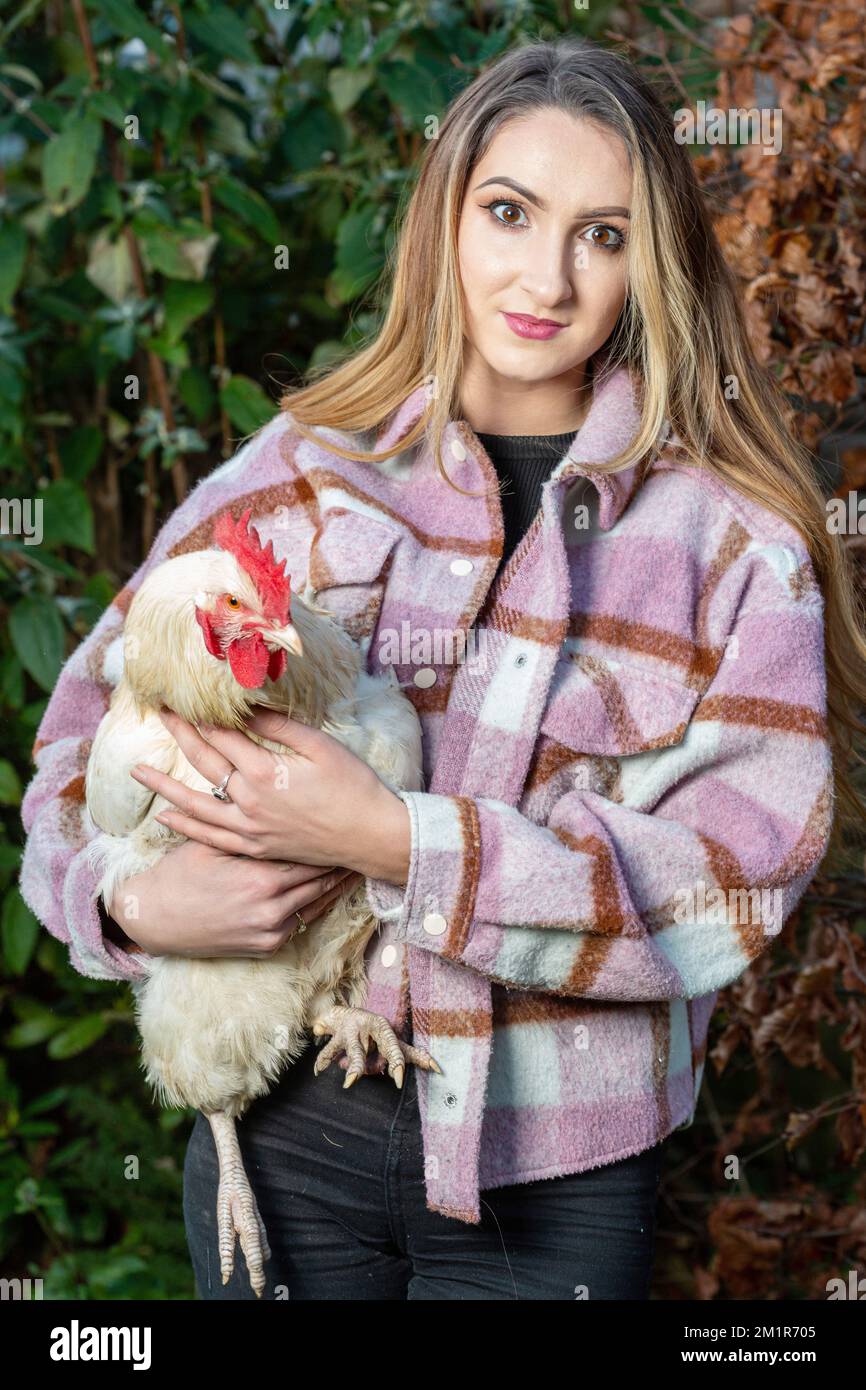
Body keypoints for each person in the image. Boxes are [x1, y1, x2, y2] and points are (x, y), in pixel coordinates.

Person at [20, 36, 865, 1301]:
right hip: (283, 1140)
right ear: (445, 219)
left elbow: (728, 884)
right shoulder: (304, 471)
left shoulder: (730, 541)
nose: (546, 277)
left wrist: (397, 841)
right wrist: (128, 907)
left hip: (555, 1178)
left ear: (656, 262)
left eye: (603, 233)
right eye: (509, 213)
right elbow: (74, 759)